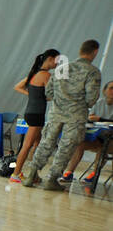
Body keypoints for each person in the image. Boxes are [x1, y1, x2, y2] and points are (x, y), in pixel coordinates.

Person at [20, 39, 102, 190]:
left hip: (56, 113)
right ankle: (51, 179)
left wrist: (61, 100)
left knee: (46, 142)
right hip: (75, 117)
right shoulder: (92, 72)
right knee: (66, 146)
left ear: (80, 50)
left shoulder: (62, 68)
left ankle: (31, 174)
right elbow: (91, 99)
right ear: (95, 52)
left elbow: (49, 92)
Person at [10, 50, 58, 182]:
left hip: (32, 112)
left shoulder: (34, 73)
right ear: (49, 59)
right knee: (27, 145)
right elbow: (52, 93)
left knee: (37, 144)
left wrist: (35, 96)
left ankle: (33, 174)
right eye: (56, 60)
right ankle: (15, 174)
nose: (57, 63)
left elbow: (19, 87)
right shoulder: (46, 75)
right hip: (36, 114)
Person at [58, 80, 113, 186]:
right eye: (111, 88)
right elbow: (90, 117)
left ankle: (94, 174)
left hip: (110, 140)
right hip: (98, 135)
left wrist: (100, 119)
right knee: (80, 144)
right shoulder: (98, 103)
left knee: (104, 146)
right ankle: (69, 172)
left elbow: (100, 119)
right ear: (104, 90)